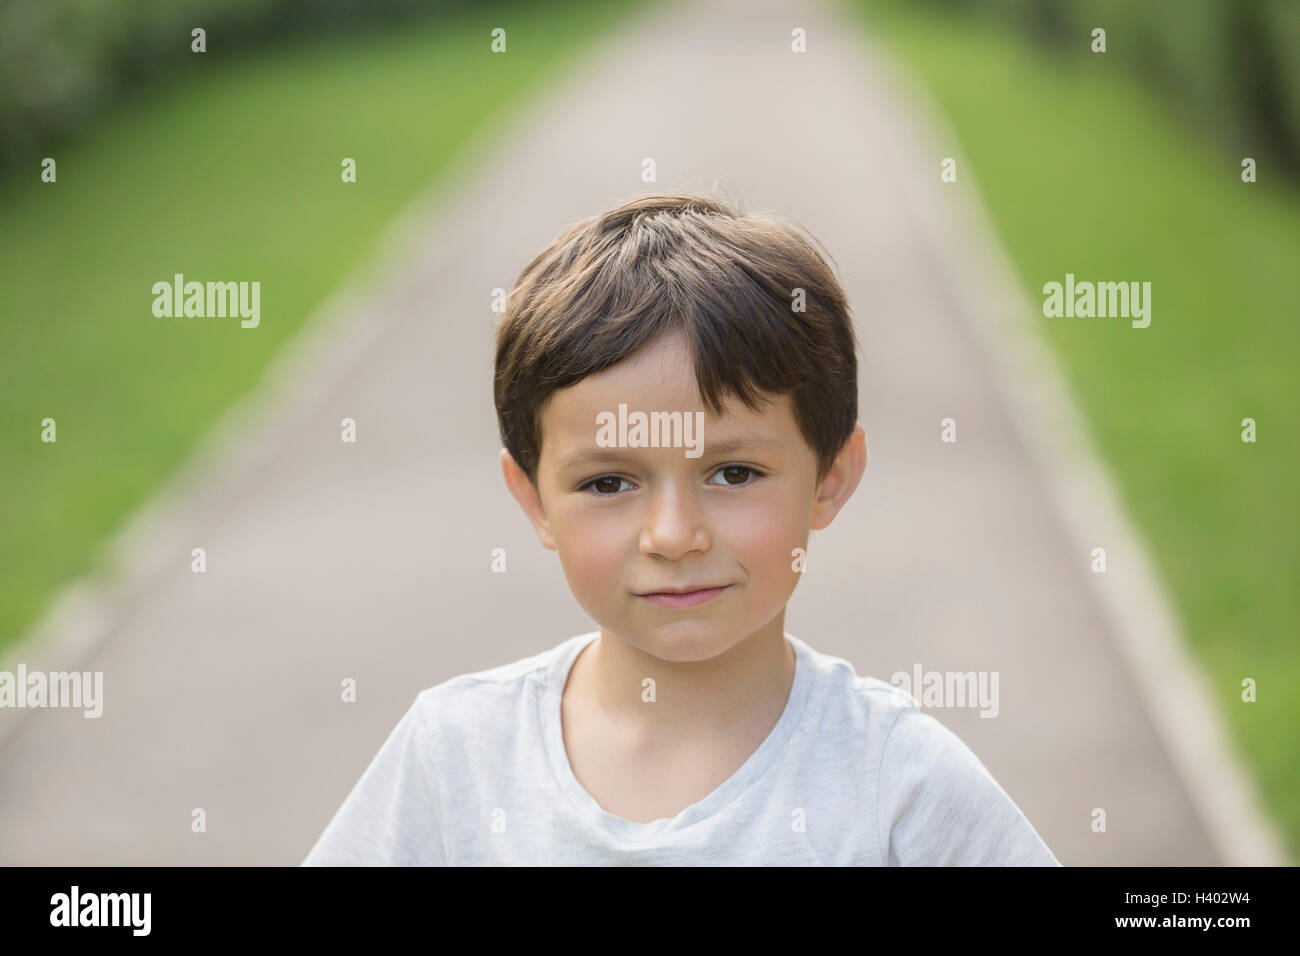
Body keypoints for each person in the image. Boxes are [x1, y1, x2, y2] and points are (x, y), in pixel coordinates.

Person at [301, 193, 1060, 866]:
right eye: (608, 483)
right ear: (533, 501)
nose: (673, 535)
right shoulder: (454, 759)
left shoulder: (896, 783)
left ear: (831, 476)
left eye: (733, 474)